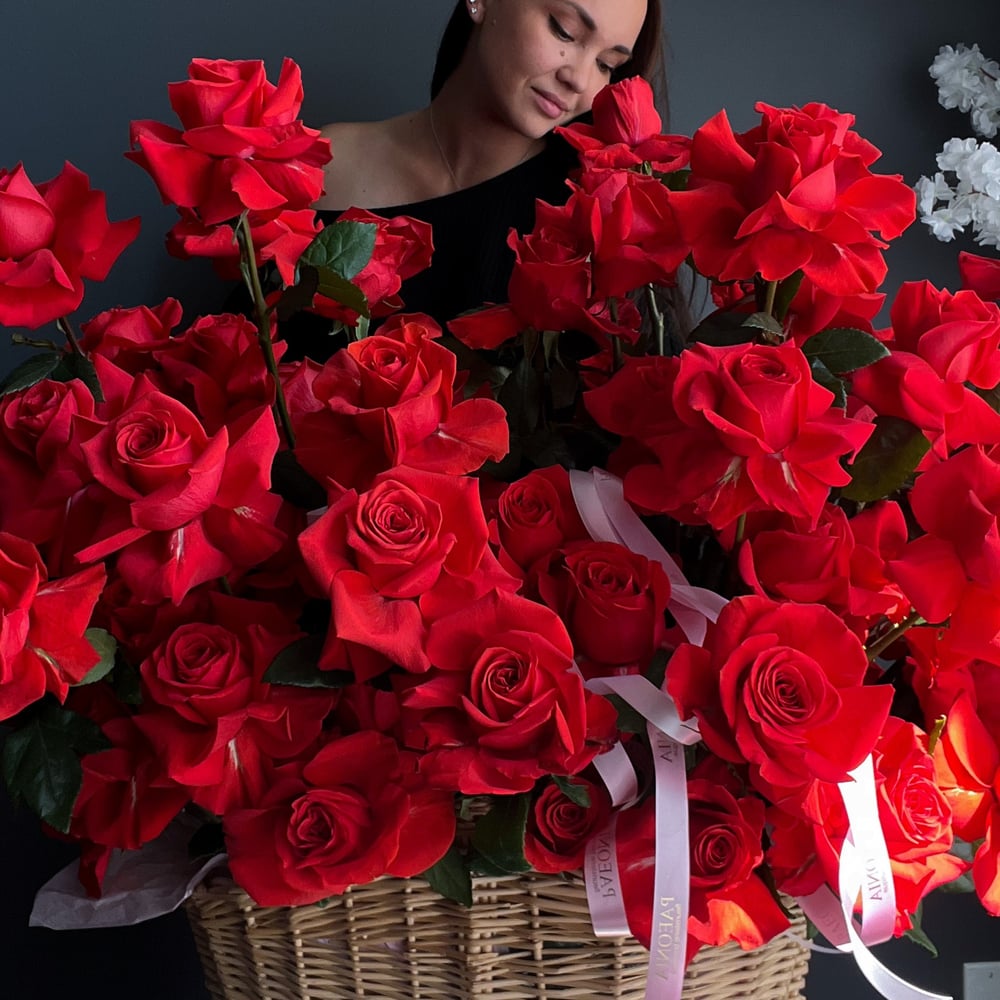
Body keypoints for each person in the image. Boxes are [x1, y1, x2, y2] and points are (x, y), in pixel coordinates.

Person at [281, 0, 667, 360]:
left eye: (606, 63)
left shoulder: (591, 214)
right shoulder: (323, 165)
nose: (580, 80)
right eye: (563, 31)